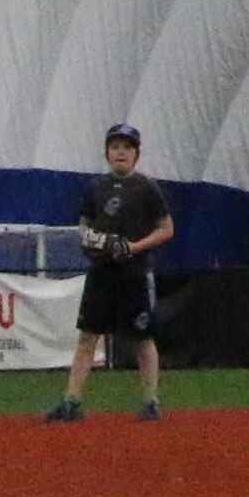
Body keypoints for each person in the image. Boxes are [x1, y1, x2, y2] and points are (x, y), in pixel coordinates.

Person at [46, 123, 174, 423]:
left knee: (143, 337)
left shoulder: (147, 188)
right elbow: (84, 225)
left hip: (135, 273)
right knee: (88, 336)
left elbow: (167, 229)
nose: (121, 152)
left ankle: (151, 400)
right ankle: (71, 400)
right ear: (106, 153)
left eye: (127, 147)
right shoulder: (95, 188)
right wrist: (94, 241)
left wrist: (135, 247)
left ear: (136, 155)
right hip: (102, 271)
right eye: (115, 147)